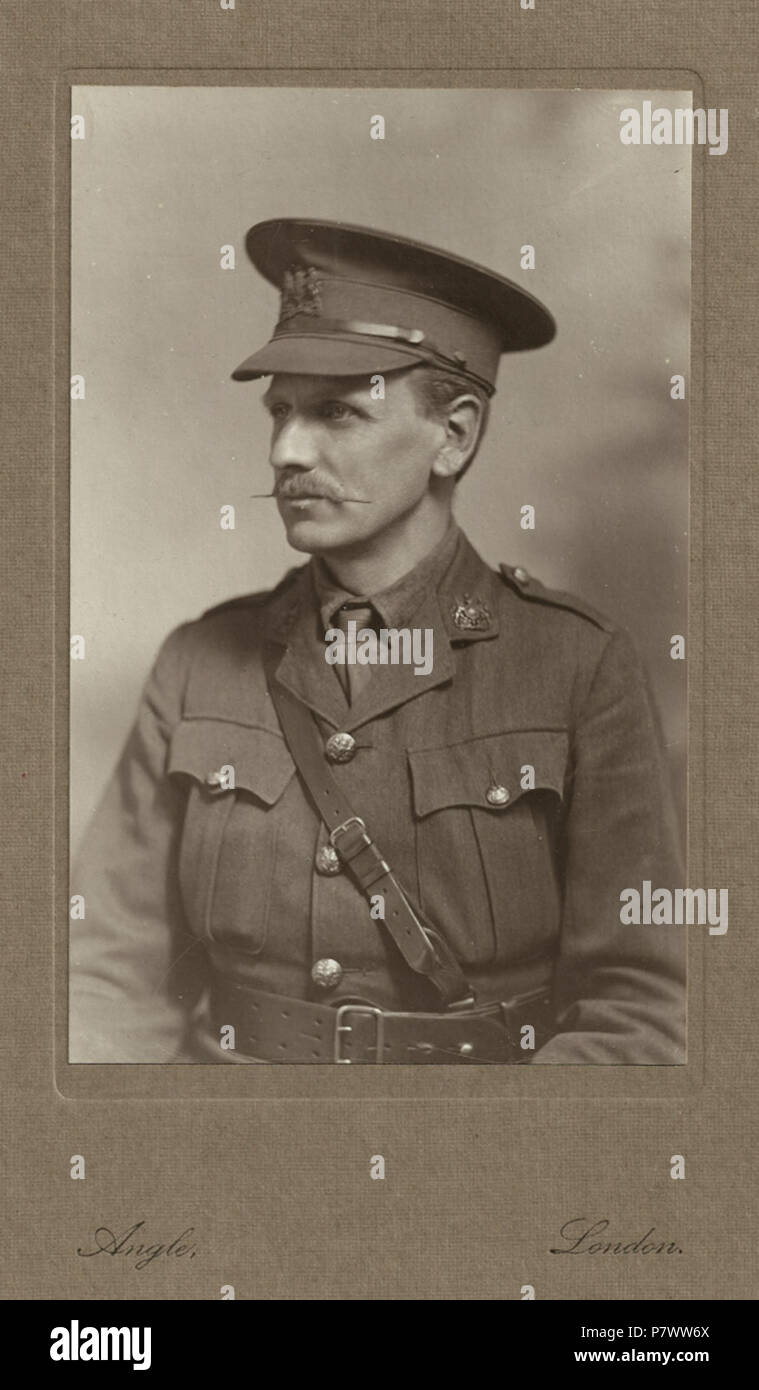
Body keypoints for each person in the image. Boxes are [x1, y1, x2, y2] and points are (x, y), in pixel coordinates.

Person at [69, 218, 685, 1065]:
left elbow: (642, 1010)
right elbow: (105, 975)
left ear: (454, 435)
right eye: (280, 411)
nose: (286, 450)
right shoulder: (197, 661)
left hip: (475, 1151)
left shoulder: (576, 666)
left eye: (337, 413)